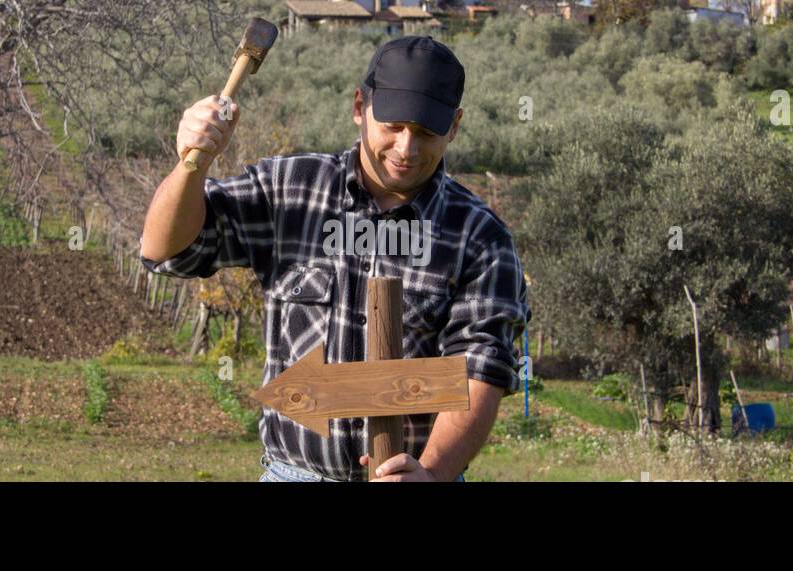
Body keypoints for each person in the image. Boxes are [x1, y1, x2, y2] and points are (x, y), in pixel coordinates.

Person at [139, 35, 529, 482]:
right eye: (394, 126)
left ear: (454, 126)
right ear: (360, 107)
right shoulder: (290, 190)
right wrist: (192, 163)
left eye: (426, 133)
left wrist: (432, 474)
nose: (407, 149)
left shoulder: (481, 237)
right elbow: (165, 251)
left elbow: (480, 368)